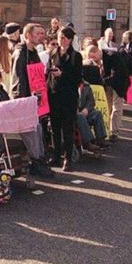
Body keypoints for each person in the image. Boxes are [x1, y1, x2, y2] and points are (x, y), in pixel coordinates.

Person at [0, 68, 53, 178]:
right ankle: (36, 161)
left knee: (35, 125)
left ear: (1, 80)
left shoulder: (1, 92)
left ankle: (40, 159)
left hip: (6, 124)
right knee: (29, 129)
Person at [47, 26, 82, 172]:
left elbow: (77, 78)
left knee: (67, 128)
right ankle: (56, 155)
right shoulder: (53, 52)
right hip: (54, 94)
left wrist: (62, 74)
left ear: (70, 40)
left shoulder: (76, 56)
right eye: (59, 37)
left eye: (64, 38)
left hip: (68, 97)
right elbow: (48, 72)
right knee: (54, 128)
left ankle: (67, 158)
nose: (61, 41)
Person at [102, 46, 130, 141]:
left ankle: (114, 132)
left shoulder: (114, 57)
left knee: (116, 108)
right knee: (107, 107)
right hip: (107, 83)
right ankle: (106, 130)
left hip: (119, 84)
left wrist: (101, 80)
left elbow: (116, 76)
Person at [76, 80, 108, 151]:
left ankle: (100, 139)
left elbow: (91, 101)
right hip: (74, 113)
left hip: (84, 111)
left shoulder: (86, 86)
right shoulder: (69, 86)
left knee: (97, 114)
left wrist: (86, 109)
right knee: (80, 117)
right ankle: (88, 142)